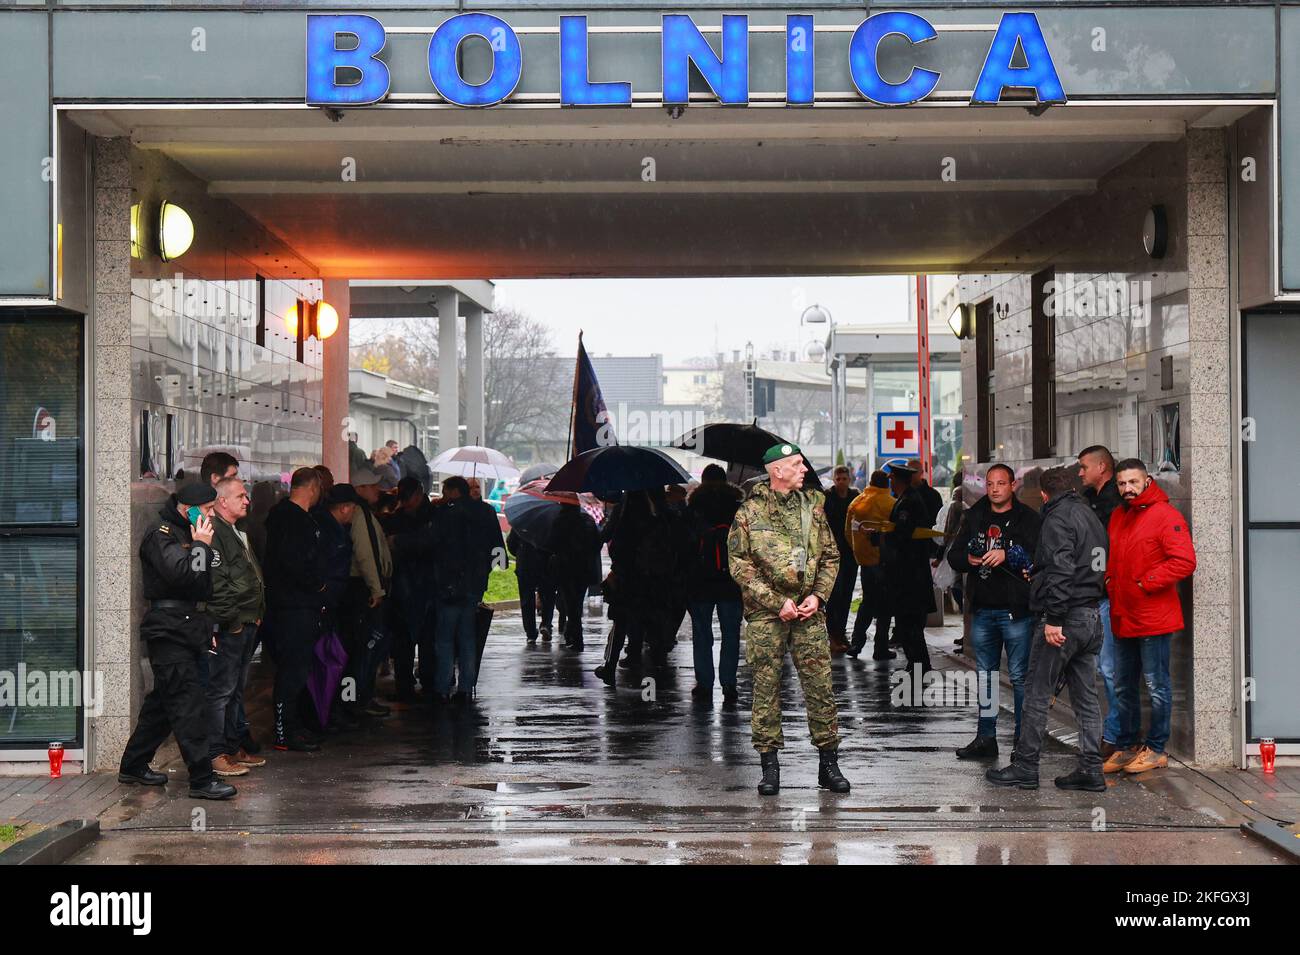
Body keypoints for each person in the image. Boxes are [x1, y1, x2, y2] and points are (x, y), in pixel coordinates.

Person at [728, 442, 849, 797]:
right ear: (776, 470)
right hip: (768, 616)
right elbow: (740, 564)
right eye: (796, 464)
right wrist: (775, 601)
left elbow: (830, 556)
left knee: (820, 685)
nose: (804, 470)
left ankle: (828, 765)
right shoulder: (749, 513)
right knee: (766, 689)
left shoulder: (813, 508)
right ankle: (769, 768)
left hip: (808, 614)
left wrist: (818, 595)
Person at [986, 466, 1108, 792]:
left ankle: (1026, 766)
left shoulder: (1057, 518)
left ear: (1043, 494)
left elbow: (1064, 569)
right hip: (1091, 616)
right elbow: (1086, 564)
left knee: (1037, 692)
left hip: (1064, 619)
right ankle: (1091, 770)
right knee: (1085, 699)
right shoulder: (1090, 515)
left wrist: (1053, 617)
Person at [118, 482, 236, 800]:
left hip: (188, 628)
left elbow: (202, 586)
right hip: (168, 631)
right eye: (208, 509)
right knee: (188, 706)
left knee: (164, 705)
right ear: (189, 508)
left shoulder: (190, 535)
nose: (212, 515)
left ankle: (133, 765)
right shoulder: (162, 535)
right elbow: (184, 576)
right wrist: (200, 545)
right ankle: (201, 779)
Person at [1102, 459, 1197, 775]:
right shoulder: (1118, 516)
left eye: (1132, 482)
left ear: (1147, 481)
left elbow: (1184, 561)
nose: (1127, 489)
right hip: (1123, 615)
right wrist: (1111, 582)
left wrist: (1145, 582)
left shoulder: (1165, 515)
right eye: (1121, 484)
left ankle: (1156, 748)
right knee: (1123, 685)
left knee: (1157, 685)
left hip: (1153, 616)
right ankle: (1127, 746)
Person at [946, 464, 1041, 759]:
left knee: (1019, 676)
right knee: (986, 676)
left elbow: (1039, 557)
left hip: (1016, 611)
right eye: (990, 484)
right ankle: (986, 738)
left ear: (1013, 485)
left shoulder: (1028, 519)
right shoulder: (974, 516)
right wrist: (971, 559)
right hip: (984, 609)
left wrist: (1009, 554)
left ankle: (1023, 742)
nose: (995, 488)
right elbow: (954, 556)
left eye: (1001, 483)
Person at [205, 476, 267, 777]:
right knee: (222, 691)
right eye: (241, 496)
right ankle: (216, 753)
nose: (247, 500)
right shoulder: (216, 532)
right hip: (234, 624)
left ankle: (231, 747)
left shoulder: (234, 530)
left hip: (246, 620)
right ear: (223, 501)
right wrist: (232, 624)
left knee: (236, 690)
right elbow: (219, 584)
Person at [263, 467, 326, 752]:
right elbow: (295, 563)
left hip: (289, 604)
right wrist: (317, 584)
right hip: (295, 606)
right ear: (312, 488)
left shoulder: (279, 517)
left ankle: (290, 727)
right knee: (293, 669)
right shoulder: (295, 521)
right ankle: (284, 732)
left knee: (296, 669)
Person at [1076, 445, 1125, 759]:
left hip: (1106, 595)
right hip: (1094, 594)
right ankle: (1107, 733)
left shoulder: (1112, 504)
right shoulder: (1089, 499)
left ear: (1102, 466)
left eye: (1084, 467)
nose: (1080, 473)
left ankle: (1115, 735)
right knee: (1101, 668)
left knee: (1110, 670)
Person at [686, 464, 744, 704]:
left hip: (700, 581)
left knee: (702, 634)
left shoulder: (694, 508)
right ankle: (729, 683)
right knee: (731, 634)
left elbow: (686, 544)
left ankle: (704, 683)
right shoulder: (738, 509)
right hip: (732, 581)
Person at [344, 468, 394, 719]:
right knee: (365, 648)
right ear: (360, 490)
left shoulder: (365, 512)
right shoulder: (360, 514)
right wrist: (377, 588)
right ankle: (357, 700)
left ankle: (360, 698)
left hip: (366, 585)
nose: (378, 490)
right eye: (373, 486)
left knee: (368, 648)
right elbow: (365, 554)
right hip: (363, 588)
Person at [383, 477, 436, 701]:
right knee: (404, 639)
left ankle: (428, 681)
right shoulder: (398, 517)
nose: (406, 503)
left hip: (427, 584)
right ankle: (405, 685)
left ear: (419, 494)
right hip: (403, 586)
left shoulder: (433, 516)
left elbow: (431, 541)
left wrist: (399, 542)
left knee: (427, 637)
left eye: (408, 498)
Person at [881, 464, 936, 674]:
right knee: (907, 623)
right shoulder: (906, 499)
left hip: (910, 575)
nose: (890, 482)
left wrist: (883, 535)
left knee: (910, 624)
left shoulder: (908, 502)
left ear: (898, 479)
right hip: (908, 573)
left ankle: (919, 665)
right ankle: (916, 664)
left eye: (892, 478)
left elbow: (903, 535)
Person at [845, 470, 897, 661]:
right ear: (887, 485)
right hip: (885, 563)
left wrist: (860, 553)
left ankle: (856, 643)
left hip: (865, 562)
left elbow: (848, 533)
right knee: (885, 606)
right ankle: (880, 648)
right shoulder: (891, 504)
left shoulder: (857, 503)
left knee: (867, 603)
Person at [547, 501, 601, 652]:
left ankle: (577, 639)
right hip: (584, 569)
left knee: (571, 604)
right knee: (577, 601)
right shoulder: (588, 521)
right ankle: (572, 634)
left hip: (566, 569)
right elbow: (597, 543)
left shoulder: (559, 521)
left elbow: (551, 543)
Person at [822, 465, 860, 654]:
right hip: (833, 552)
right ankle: (833, 633)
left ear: (849, 479)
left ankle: (841, 631)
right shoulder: (828, 498)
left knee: (846, 593)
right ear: (834, 480)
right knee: (834, 594)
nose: (842, 482)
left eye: (844, 479)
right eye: (839, 479)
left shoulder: (855, 496)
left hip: (851, 551)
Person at [508, 528, 556, 644]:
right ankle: (546, 624)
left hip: (525, 564)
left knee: (526, 599)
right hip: (545, 564)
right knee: (548, 596)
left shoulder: (522, 523)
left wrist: (520, 553)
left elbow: (511, 543)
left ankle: (530, 633)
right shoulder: (549, 523)